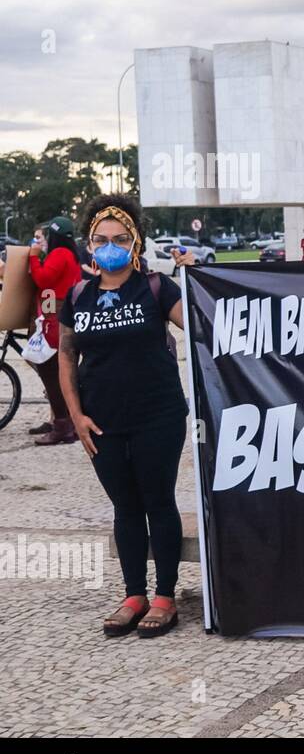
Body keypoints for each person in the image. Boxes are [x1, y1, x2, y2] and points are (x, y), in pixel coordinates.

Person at [58, 193, 195, 640]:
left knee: (158, 501)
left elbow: (199, 324)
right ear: (89, 245)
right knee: (125, 506)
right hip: (102, 421)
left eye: (119, 238)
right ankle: (134, 593)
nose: (109, 246)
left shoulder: (156, 287)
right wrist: (76, 416)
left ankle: (165, 597)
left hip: (159, 415)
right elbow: (65, 356)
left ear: (135, 242)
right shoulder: (78, 294)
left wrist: (194, 276)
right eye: (100, 239)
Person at [25, 216, 81, 445]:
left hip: (54, 317)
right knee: (61, 372)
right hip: (61, 314)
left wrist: (33, 258)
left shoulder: (59, 255)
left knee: (50, 371)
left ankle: (62, 426)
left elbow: (43, 279)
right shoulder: (72, 255)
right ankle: (67, 423)